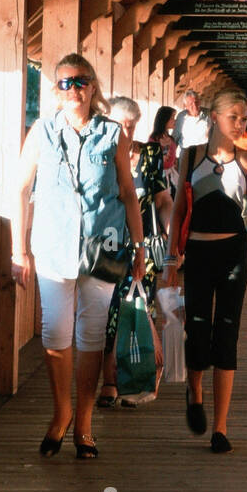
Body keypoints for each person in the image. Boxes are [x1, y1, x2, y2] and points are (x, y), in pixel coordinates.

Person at [12, 54, 146, 459]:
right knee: (54, 332)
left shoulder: (112, 134)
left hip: (102, 247)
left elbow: (127, 193)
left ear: (93, 87)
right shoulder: (42, 131)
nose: (74, 89)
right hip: (53, 247)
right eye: (66, 82)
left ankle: (84, 424)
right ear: (57, 89)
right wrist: (19, 250)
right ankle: (61, 414)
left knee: (90, 336)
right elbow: (20, 190)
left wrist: (140, 249)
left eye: (81, 81)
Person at [162, 89, 247, 453]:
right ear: (214, 118)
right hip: (196, 252)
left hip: (233, 252)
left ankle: (221, 427)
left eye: (244, 118)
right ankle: (195, 392)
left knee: (227, 333)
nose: (242, 123)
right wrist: (169, 259)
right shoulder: (192, 157)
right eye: (234, 117)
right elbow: (178, 210)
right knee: (197, 330)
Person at [98, 96, 172, 409]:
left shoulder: (151, 153)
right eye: (119, 126)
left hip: (144, 245)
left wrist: (171, 234)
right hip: (107, 245)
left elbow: (162, 198)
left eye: (130, 127)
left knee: (140, 309)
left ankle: (137, 377)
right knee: (109, 314)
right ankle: (110, 382)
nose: (125, 133)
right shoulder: (99, 154)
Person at [151, 105, 179, 196]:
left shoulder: (170, 138)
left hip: (172, 177)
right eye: (172, 118)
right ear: (164, 120)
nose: (175, 121)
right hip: (161, 179)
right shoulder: (154, 140)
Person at [173, 88, 210, 157]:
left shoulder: (208, 114)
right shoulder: (181, 116)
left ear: (200, 102)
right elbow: (175, 137)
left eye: (196, 102)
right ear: (185, 106)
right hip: (186, 155)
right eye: (191, 104)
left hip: (204, 155)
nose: (195, 106)